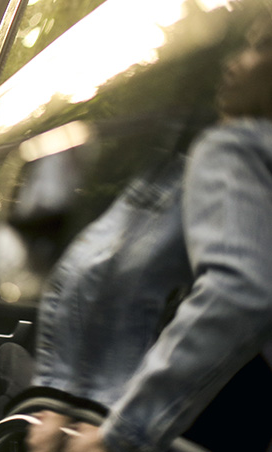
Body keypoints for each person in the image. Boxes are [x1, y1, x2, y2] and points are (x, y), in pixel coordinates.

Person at [27, 27, 272, 452]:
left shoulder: (234, 149)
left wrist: (118, 429)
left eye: (259, 47)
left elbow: (240, 289)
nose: (234, 62)